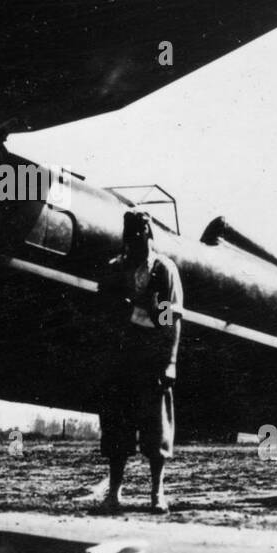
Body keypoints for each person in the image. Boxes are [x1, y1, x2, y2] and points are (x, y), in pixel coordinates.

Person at [98, 209, 184, 513]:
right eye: (130, 235)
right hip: (120, 359)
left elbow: (168, 321)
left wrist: (170, 361)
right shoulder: (114, 269)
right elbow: (103, 312)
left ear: (149, 234)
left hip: (151, 359)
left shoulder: (162, 270)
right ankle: (114, 494)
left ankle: (156, 493)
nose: (135, 241)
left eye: (140, 234)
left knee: (156, 430)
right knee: (116, 429)